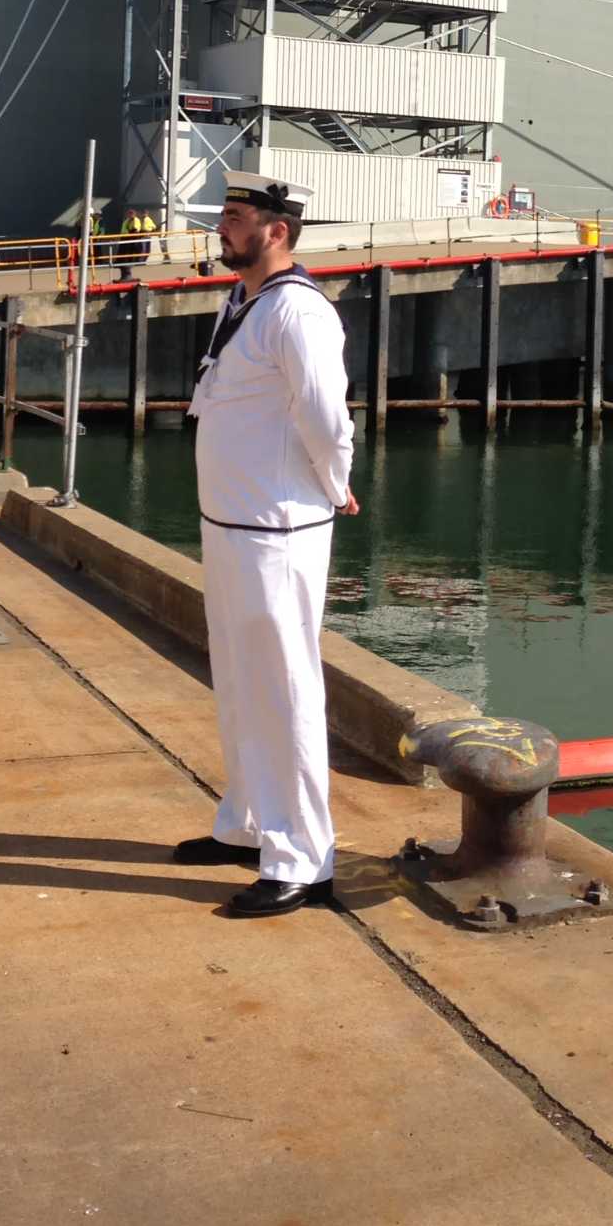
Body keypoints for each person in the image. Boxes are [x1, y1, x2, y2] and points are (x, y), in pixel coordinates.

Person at [175, 172, 357, 919]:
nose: (222, 227)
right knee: (241, 683)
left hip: (277, 531)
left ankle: (303, 860)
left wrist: (336, 484)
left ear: (276, 231)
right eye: (224, 215)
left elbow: (325, 417)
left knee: (283, 693)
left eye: (235, 216)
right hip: (230, 522)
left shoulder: (299, 312)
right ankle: (247, 824)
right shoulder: (245, 299)